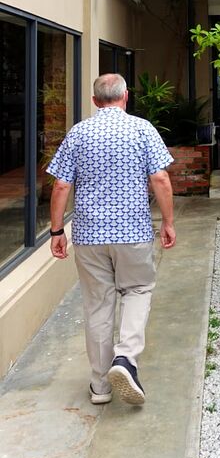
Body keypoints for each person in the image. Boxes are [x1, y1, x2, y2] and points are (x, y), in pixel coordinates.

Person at [47, 73, 175, 407]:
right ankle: (126, 358)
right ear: (126, 96)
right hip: (132, 232)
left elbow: (61, 185)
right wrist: (168, 222)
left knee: (98, 304)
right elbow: (160, 178)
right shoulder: (142, 129)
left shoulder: (78, 133)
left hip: (89, 236)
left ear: (94, 101)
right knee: (138, 290)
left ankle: (100, 386)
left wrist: (57, 231)